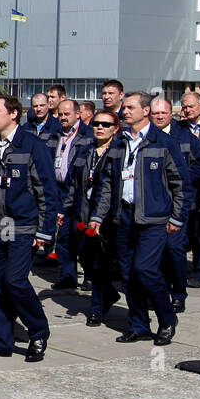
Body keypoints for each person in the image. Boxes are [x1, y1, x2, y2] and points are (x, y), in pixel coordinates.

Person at [88, 92, 187, 346]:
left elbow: (180, 183)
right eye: (126, 108)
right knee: (128, 274)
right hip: (124, 216)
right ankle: (139, 324)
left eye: (131, 107)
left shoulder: (163, 143)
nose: (125, 112)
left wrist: (177, 217)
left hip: (154, 218)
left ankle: (167, 319)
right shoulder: (119, 143)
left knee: (145, 269)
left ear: (146, 111)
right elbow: (107, 183)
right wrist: (99, 214)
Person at [0, 95, 60, 363]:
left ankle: (39, 331)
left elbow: (47, 192)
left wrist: (44, 231)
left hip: (23, 226)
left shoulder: (32, 146)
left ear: (14, 114)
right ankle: (1, 341)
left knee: (15, 281)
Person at [63, 108, 122, 326]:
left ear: (115, 129)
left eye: (106, 125)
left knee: (101, 264)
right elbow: (72, 183)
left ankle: (97, 307)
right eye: (96, 123)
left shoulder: (118, 152)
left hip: (106, 217)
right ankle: (107, 294)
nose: (100, 128)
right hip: (82, 213)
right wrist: (64, 209)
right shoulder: (84, 151)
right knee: (84, 257)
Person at [150, 97, 200, 315]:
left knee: (175, 250)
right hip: (151, 207)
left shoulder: (185, 138)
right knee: (155, 254)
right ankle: (158, 294)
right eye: (156, 113)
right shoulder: (146, 138)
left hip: (178, 204)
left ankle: (179, 294)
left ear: (170, 114)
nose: (160, 116)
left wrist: (180, 178)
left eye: (164, 113)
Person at [48, 99, 93, 291]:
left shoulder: (88, 136)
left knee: (82, 237)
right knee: (61, 235)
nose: (63, 118)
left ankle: (89, 275)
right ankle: (68, 275)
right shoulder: (54, 135)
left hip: (79, 192)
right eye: (60, 114)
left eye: (67, 114)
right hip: (57, 189)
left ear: (77, 114)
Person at [178, 90, 200, 287]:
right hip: (187, 186)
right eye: (185, 107)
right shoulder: (179, 128)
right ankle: (197, 270)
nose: (187, 110)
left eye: (191, 106)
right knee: (192, 230)